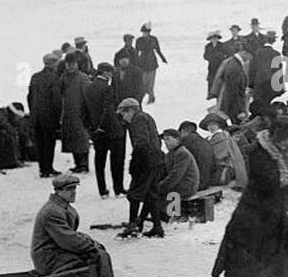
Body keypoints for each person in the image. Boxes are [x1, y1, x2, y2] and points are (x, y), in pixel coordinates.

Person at [211, 115, 288, 277]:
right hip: (254, 209)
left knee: (283, 251)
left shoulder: (286, 149)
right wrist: (286, 179)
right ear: (276, 135)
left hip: (278, 207)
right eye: (286, 137)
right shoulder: (257, 150)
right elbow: (263, 179)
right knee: (244, 250)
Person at [30, 173, 114, 277]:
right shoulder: (52, 212)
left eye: (74, 188)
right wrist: (91, 246)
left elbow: (70, 235)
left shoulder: (62, 207)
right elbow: (67, 239)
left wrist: (90, 242)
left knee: (95, 253)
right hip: (48, 258)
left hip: (56, 252)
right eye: (69, 189)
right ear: (58, 191)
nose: (73, 192)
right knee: (90, 256)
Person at [117, 98, 166, 238]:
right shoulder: (146, 117)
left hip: (146, 161)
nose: (124, 118)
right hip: (156, 160)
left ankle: (132, 225)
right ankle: (157, 227)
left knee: (134, 194)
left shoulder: (138, 120)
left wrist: (136, 163)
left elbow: (141, 143)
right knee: (151, 194)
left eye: (124, 114)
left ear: (131, 110)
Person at [27, 52, 63, 178]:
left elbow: (29, 97)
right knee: (49, 143)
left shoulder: (35, 77)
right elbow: (56, 99)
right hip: (49, 116)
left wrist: (33, 112)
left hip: (36, 116)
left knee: (40, 143)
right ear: (52, 64)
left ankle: (43, 169)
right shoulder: (54, 78)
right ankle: (48, 168)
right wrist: (59, 114)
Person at [85, 62, 116, 197]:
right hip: (106, 129)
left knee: (99, 160)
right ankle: (117, 187)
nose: (111, 75)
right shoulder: (107, 88)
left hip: (93, 128)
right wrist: (102, 127)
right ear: (104, 73)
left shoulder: (89, 87)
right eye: (110, 72)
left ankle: (102, 189)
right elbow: (107, 110)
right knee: (114, 160)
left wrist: (91, 127)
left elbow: (84, 109)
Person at [59, 51, 93, 173]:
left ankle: (84, 165)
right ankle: (77, 164)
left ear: (77, 64)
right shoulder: (63, 78)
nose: (71, 66)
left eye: (73, 64)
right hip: (68, 114)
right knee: (72, 140)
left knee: (82, 139)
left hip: (80, 114)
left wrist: (88, 114)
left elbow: (89, 97)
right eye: (69, 64)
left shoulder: (83, 78)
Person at [202, 111, 248, 188]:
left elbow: (220, 155)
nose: (211, 127)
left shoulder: (222, 137)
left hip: (221, 170)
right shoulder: (209, 138)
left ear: (218, 125)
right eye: (209, 125)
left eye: (213, 124)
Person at [160, 128, 201, 206]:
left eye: (168, 139)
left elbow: (175, 175)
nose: (165, 142)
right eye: (164, 140)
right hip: (180, 184)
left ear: (177, 140)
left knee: (167, 195)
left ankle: (171, 215)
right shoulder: (171, 154)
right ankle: (159, 215)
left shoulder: (182, 153)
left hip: (187, 186)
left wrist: (160, 187)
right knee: (154, 193)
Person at [213, 48, 251, 123]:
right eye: (250, 55)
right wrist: (240, 111)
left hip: (232, 105)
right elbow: (233, 91)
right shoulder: (235, 67)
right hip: (235, 108)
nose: (250, 58)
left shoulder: (233, 62)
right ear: (244, 52)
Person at [135, 22, 168, 105]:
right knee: (143, 83)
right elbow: (136, 52)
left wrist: (163, 59)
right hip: (142, 63)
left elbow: (158, 50)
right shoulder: (139, 40)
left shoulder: (154, 39)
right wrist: (135, 62)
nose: (144, 34)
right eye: (143, 32)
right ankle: (150, 96)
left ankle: (150, 98)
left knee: (151, 83)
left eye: (145, 32)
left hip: (152, 63)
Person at [178, 120, 216, 189]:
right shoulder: (205, 142)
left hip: (195, 185)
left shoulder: (186, 141)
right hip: (206, 183)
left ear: (183, 131)